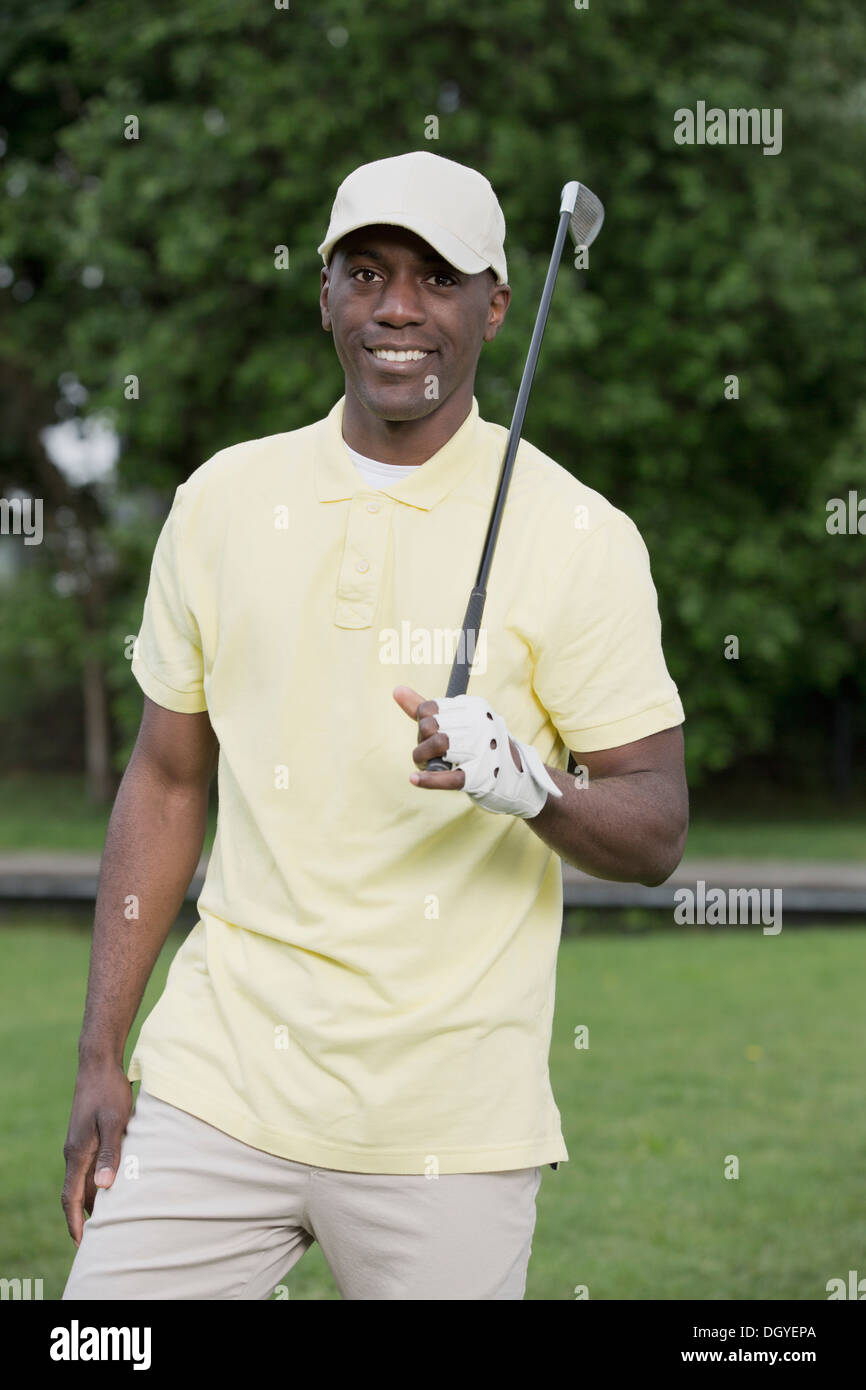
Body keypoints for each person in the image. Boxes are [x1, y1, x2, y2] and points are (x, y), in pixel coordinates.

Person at [61, 150, 687, 1301]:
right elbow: (164, 781)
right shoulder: (221, 502)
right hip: (217, 1084)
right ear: (326, 296)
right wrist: (102, 1054)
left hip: (448, 1125)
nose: (398, 307)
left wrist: (529, 784)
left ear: (495, 304)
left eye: (436, 278)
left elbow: (655, 831)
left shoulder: (579, 535)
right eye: (366, 273)